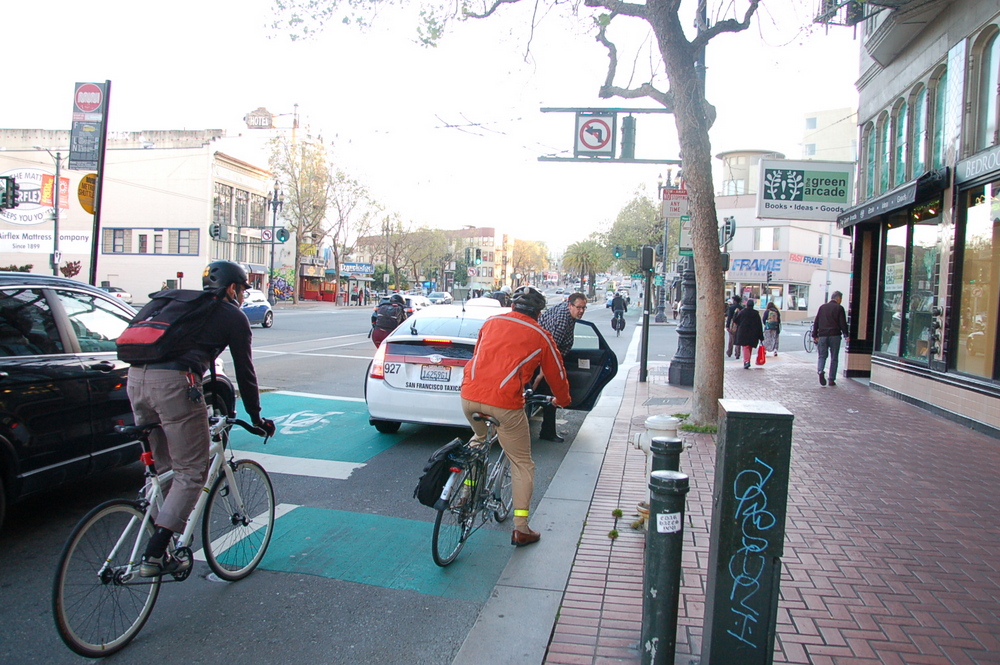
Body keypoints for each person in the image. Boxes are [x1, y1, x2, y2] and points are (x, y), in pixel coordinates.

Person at [129, 261, 274, 577]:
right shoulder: (231, 315)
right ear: (233, 289)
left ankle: (164, 538)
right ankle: (155, 554)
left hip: (135, 379)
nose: (242, 296)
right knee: (192, 470)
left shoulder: (175, 302)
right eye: (243, 289)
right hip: (174, 385)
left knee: (163, 469)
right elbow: (245, 372)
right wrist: (256, 417)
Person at [461, 286, 572, 546]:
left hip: (469, 397)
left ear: (513, 307)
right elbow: (557, 373)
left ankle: (466, 492)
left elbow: (480, 354)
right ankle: (521, 527)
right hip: (504, 403)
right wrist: (563, 400)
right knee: (522, 462)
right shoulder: (540, 335)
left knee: (478, 439)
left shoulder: (491, 322)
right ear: (539, 313)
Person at [536, 292, 587, 442]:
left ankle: (548, 431)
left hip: (545, 359)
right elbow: (551, 348)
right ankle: (547, 432)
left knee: (548, 397)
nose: (581, 311)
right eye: (578, 307)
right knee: (551, 397)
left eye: (584, 308)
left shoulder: (565, 312)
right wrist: (543, 373)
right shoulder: (562, 320)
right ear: (570, 305)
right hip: (545, 362)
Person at [813, 291, 850, 386]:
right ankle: (831, 379)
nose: (841, 301)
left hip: (823, 335)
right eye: (841, 299)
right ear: (838, 298)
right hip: (835, 335)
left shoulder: (822, 307)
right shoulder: (839, 308)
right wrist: (846, 335)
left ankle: (820, 370)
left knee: (822, 356)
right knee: (834, 357)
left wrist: (814, 335)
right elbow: (842, 323)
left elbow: (816, 321)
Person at [734, 298, 764, 369]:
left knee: (745, 347)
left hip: (743, 332)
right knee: (749, 347)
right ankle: (747, 360)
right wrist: (761, 337)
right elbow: (759, 325)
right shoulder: (756, 314)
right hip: (753, 333)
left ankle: (747, 361)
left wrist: (736, 313)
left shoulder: (742, 312)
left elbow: (736, 320)